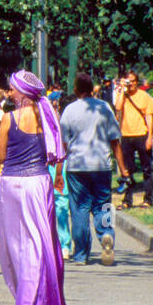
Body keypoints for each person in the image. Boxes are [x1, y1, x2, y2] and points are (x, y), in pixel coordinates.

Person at [0, 70, 73, 305]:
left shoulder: (8, 119)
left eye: (12, 89)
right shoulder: (49, 119)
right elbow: (59, 151)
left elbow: (0, 157)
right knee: (39, 245)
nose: (9, 93)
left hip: (12, 187)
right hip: (38, 184)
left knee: (16, 247)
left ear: (22, 93)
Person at [60, 73, 123, 266]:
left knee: (78, 208)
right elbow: (115, 140)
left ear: (76, 89)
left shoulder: (69, 110)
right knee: (102, 205)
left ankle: (80, 254)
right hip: (101, 165)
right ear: (92, 88)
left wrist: (62, 165)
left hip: (77, 165)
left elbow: (63, 143)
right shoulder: (104, 108)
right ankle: (106, 234)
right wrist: (123, 168)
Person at [113, 71, 153, 208]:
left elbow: (149, 117)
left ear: (137, 82)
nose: (129, 84)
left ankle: (148, 198)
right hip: (126, 135)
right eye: (127, 81)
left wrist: (149, 137)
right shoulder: (123, 96)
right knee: (127, 170)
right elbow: (117, 107)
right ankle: (127, 200)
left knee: (146, 168)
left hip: (141, 134)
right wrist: (121, 90)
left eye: (131, 81)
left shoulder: (145, 97)